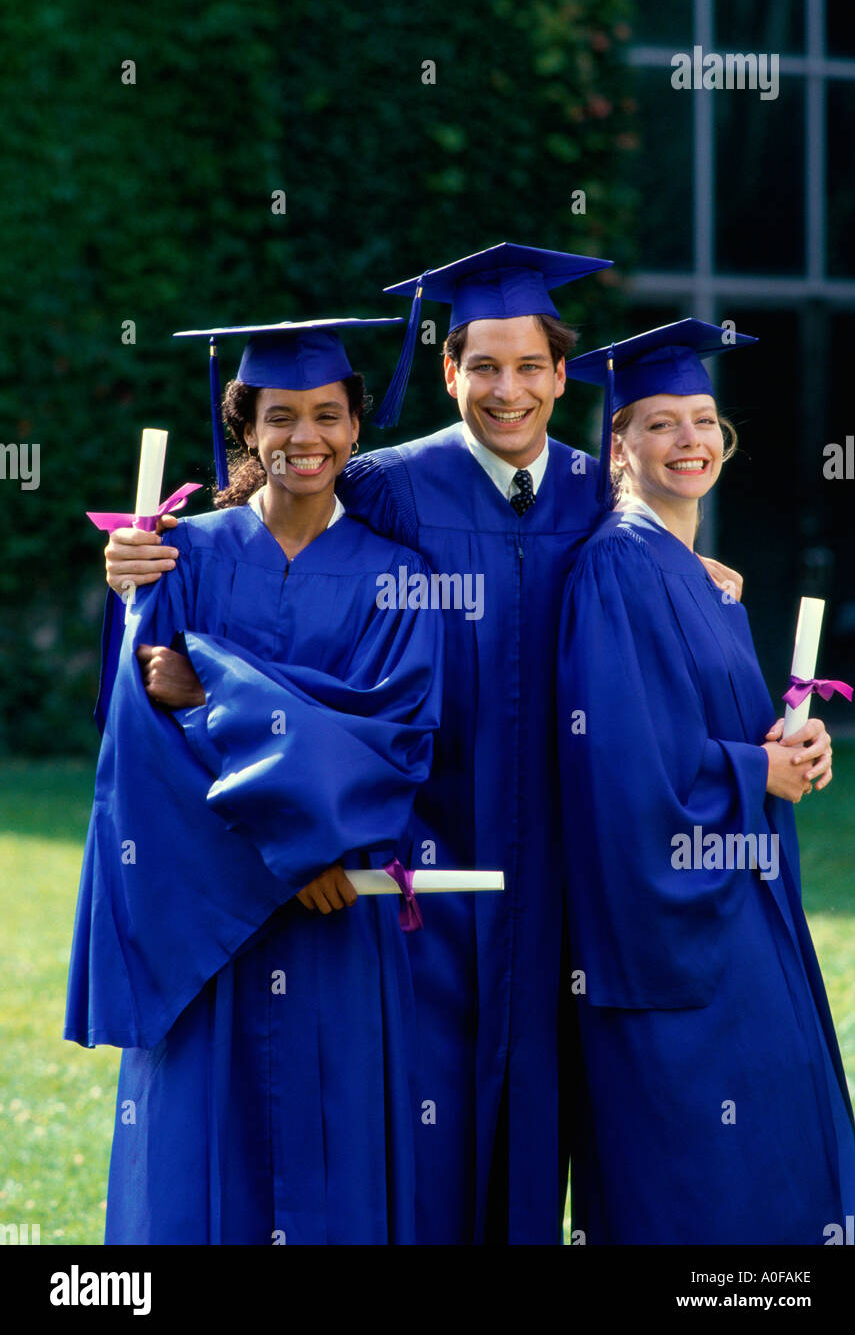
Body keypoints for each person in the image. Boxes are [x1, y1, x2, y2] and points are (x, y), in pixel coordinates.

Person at [99, 246, 741, 1244]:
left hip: (555, 877)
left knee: (544, 1109)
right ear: (448, 373)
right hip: (415, 865)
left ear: (560, 374)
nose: (508, 388)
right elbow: (271, 549)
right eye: (483, 365)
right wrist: (135, 559)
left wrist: (697, 575)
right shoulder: (390, 488)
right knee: (411, 1117)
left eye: (529, 365)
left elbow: (645, 609)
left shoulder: (598, 500)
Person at [65, 318, 443, 1245]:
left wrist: (211, 686)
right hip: (204, 912)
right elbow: (138, 737)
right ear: (246, 428)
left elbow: (395, 733)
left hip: (332, 909)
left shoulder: (402, 578)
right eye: (280, 417)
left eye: (326, 415)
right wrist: (292, 841)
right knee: (199, 1151)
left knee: (333, 1133)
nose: (303, 437)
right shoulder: (176, 556)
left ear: (358, 429)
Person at [558, 319, 855, 1244]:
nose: (687, 440)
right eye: (658, 423)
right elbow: (615, 759)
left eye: (703, 420)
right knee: (702, 1172)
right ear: (618, 446)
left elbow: (717, 732)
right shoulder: (616, 565)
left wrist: (794, 751)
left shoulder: (698, 578)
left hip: (742, 898)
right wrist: (753, 770)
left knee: (768, 1147)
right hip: (673, 926)